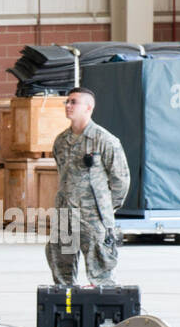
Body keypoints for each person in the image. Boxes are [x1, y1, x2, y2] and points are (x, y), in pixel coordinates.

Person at [46, 86, 130, 286]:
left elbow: (121, 180)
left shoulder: (104, 140)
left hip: (93, 217)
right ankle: (66, 303)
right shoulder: (61, 141)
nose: (68, 105)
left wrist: (106, 208)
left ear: (88, 107)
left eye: (74, 102)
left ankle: (102, 305)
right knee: (61, 270)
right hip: (65, 214)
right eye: (67, 101)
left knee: (101, 271)